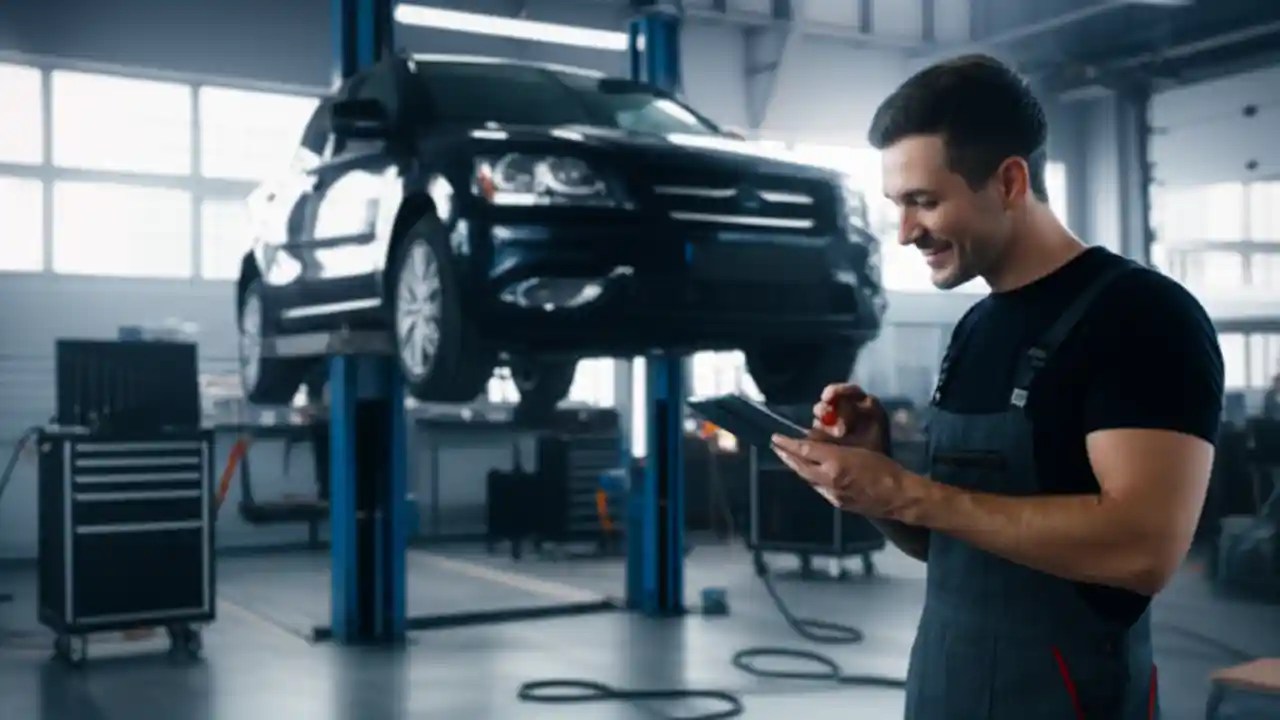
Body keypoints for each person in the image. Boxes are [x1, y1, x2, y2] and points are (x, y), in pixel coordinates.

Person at [770, 54, 1224, 719]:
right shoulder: (975, 328)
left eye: (925, 202)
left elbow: (1142, 548)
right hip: (943, 692)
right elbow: (943, 541)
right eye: (897, 206)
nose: (904, 233)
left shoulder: (1143, 317)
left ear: (1009, 181)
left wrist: (909, 491)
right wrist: (876, 477)